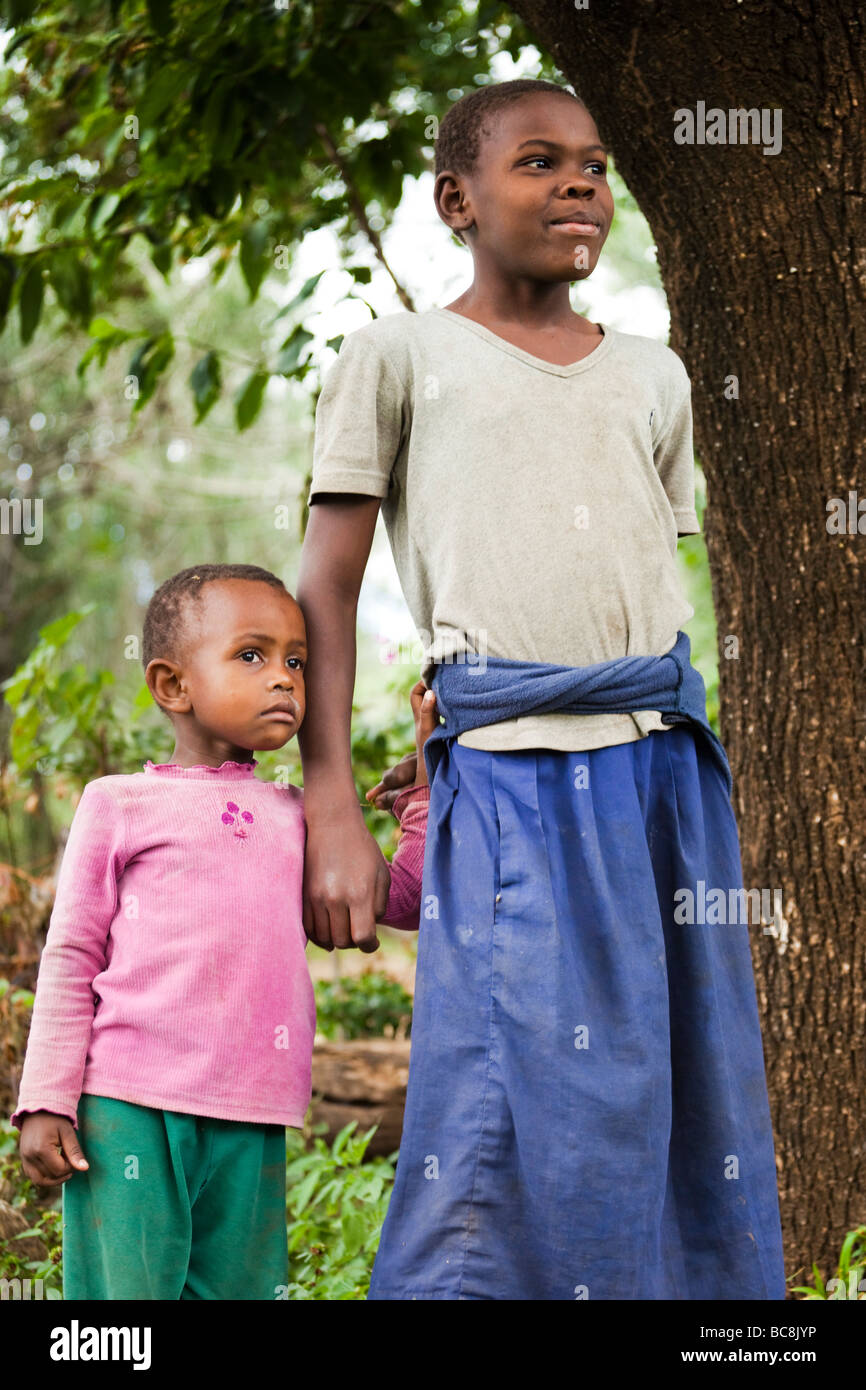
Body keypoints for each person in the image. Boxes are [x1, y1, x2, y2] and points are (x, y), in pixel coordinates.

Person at [296, 78, 787, 1300]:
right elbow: (326, 586)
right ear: (456, 200)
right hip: (511, 781)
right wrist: (332, 808)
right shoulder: (398, 356)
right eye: (538, 162)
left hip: (662, 773)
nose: (578, 183)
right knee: (505, 1080)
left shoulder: (652, 376)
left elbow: (619, 579)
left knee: (678, 1073)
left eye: (594, 164)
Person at [11, 563, 433, 1300]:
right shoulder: (119, 803)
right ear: (172, 685)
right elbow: (72, 954)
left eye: (296, 661)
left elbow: (402, 898)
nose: (284, 680)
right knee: (123, 1311)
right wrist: (47, 1096)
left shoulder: (304, 818)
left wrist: (425, 788)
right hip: (129, 1105)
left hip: (252, 1108)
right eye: (252, 655)